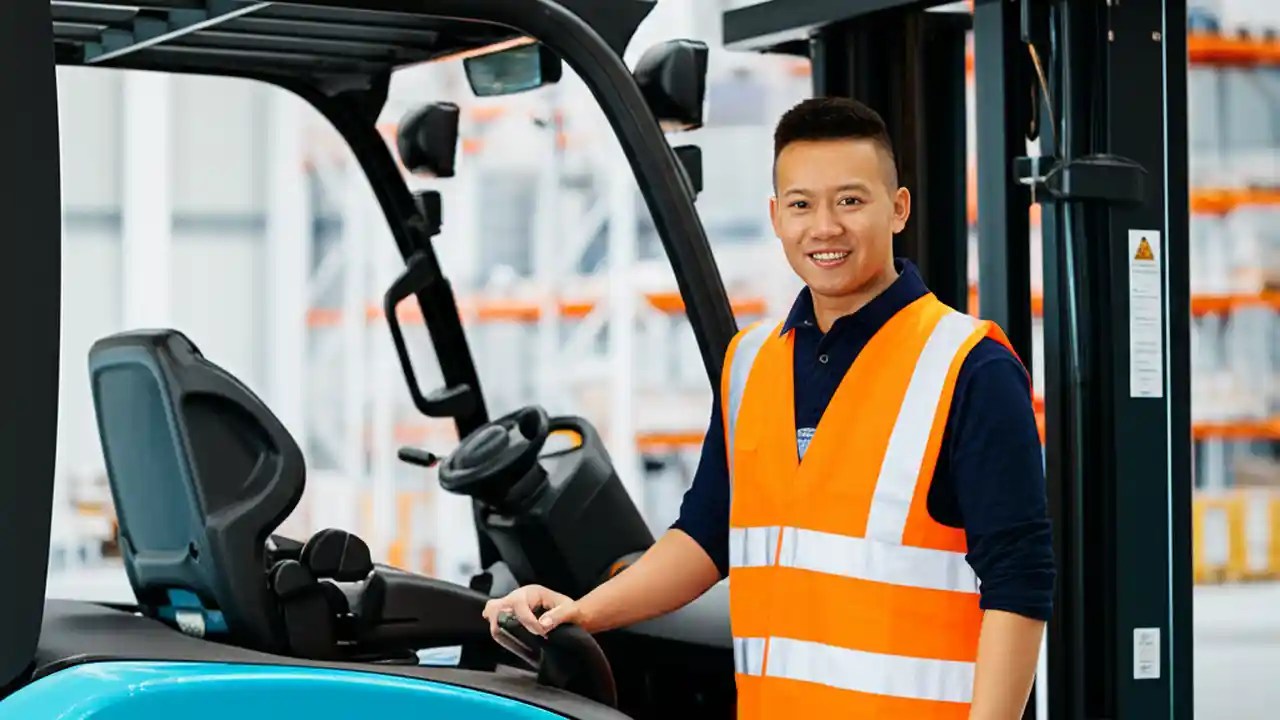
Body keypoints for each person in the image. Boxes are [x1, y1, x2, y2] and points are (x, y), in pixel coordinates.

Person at [483, 96, 1055, 719]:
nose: (825, 227)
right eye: (802, 204)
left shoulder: (969, 367)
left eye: (851, 200)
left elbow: (1018, 581)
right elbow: (704, 536)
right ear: (777, 216)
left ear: (898, 210)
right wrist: (582, 609)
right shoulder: (750, 363)